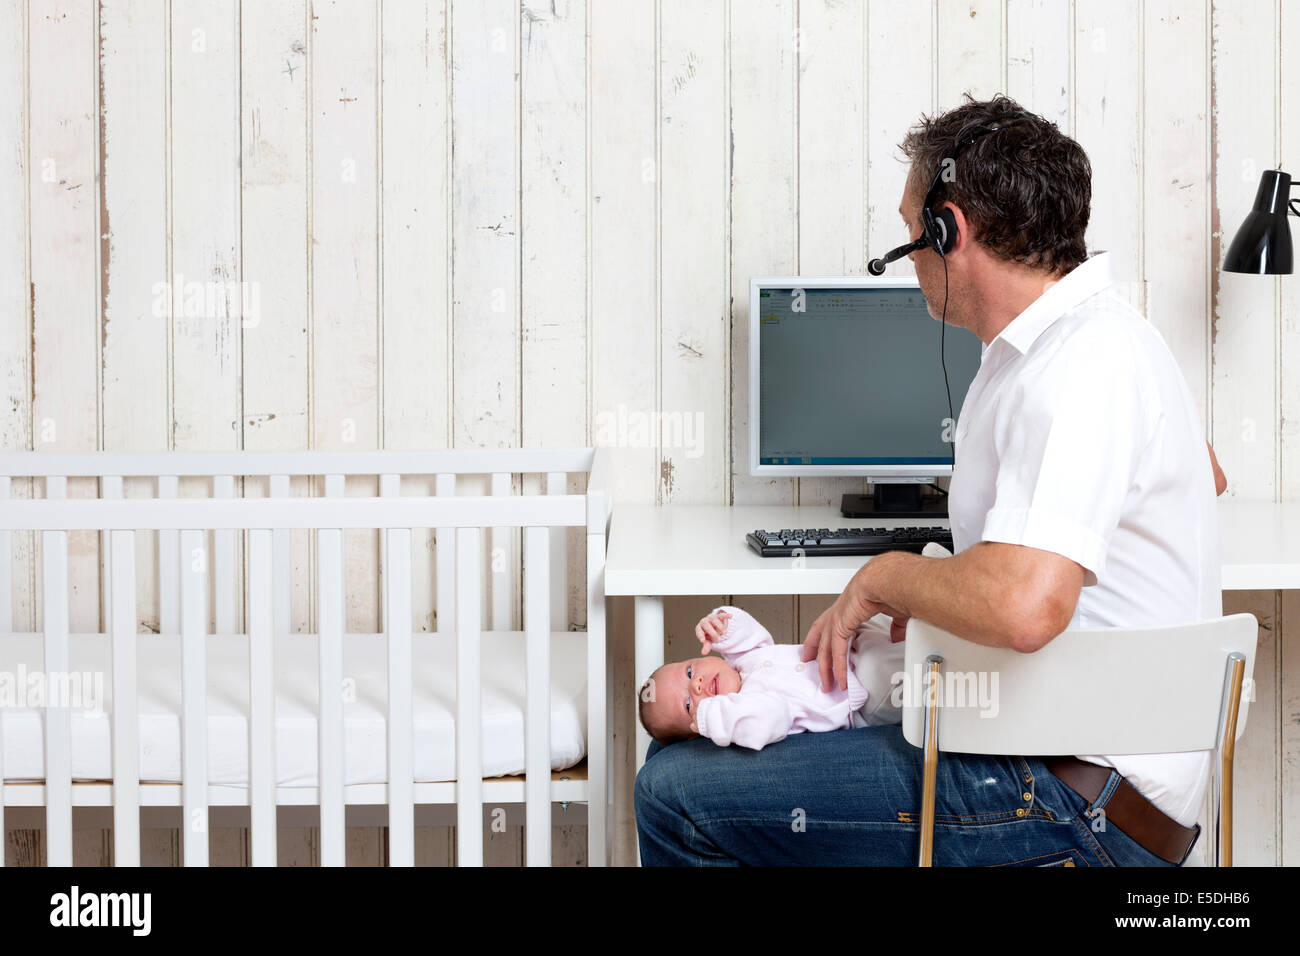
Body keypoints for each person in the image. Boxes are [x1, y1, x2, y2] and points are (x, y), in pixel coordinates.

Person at [634, 93, 1228, 867]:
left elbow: (1025, 607)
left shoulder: (1082, 363)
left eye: (913, 231)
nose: (910, 256)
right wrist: (953, 607)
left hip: (1074, 798)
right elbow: (1202, 473)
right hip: (1059, 758)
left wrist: (892, 577)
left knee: (676, 791)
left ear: (950, 228)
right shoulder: (1088, 343)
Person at [637, 602, 908, 749]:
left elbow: (749, 633)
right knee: (888, 667)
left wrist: (721, 624)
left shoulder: (742, 660)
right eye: (688, 705)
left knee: (877, 611)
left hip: (848, 647)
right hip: (857, 701)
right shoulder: (746, 712)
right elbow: (773, 717)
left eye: (689, 672)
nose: (696, 685)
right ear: (703, 730)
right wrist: (716, 716)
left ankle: (931, 607)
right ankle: (941, 660)